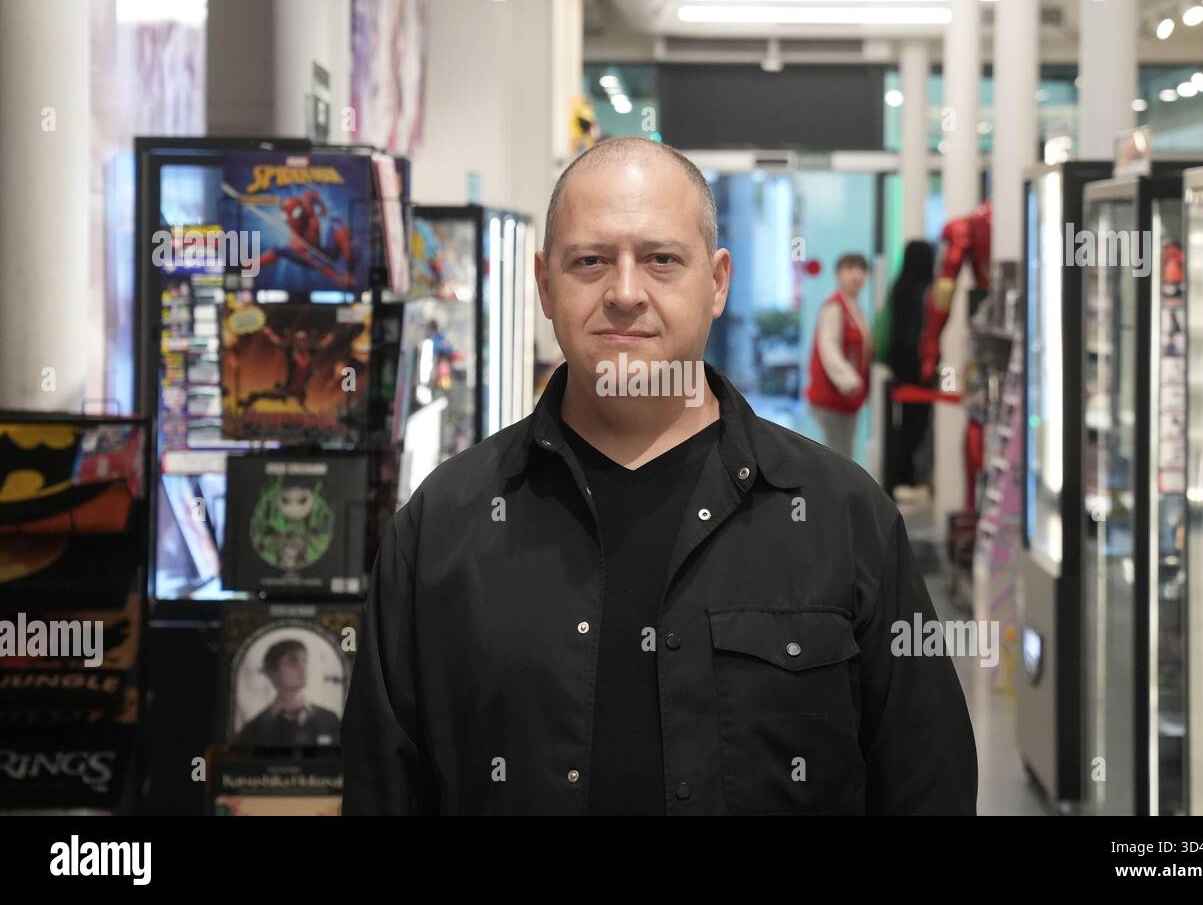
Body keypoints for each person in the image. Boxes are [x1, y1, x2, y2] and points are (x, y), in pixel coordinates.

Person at [342, 137, 977, 815]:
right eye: (589, 261)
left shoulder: (842, 517)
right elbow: (384, 788)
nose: (623, 293)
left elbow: (925, 782)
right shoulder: (442, 528)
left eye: (661, 259)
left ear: (718, 281)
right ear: (544, 284)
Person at [880, 240, 936, 501]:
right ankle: (906, 476)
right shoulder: (926, 291)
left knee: (902, 424)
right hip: (918, 365)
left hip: (898, 362)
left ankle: (897, 476)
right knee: (917, 423)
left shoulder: (899, 287)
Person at [806, 253, 872, 459]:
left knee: (844, 455)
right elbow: (828, 348)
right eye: (849, 269)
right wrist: (849, 380)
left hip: (847, 399)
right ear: (838, 275)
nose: (856, 275)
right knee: (838, 458)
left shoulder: (854, 308)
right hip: (833, 396)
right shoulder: (834, 307)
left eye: (861, 269)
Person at [236, 639, 341, 747]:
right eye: (293, 662)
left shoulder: (330, 720)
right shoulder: (254, 729)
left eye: (304, 661)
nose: (302, 668)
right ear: (273, 671)